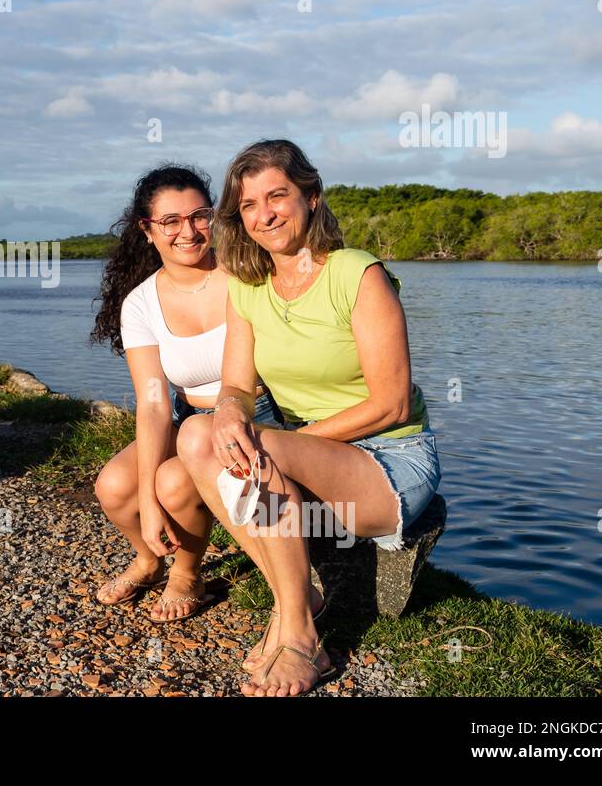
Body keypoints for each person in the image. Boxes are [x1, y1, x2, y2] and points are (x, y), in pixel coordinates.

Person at [176, 139, 441, 696]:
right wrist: (228, 413)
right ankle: (297, 595)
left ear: (311, 197)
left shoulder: (356, 274)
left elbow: (390, 402)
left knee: (257, 448)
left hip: (388, 457)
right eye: (249, 204)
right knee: (198, 434)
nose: (264, 214)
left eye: (278, 196)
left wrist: (271, 441)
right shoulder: (247, 288)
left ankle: (298, 636)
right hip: (305, 450)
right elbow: (237, 386)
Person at [89, 164, 282, 623]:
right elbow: (154, 401)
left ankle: (187, 572)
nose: (188, 231)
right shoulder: (140, 303)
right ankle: (149, 560)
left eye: (199, 216)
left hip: (260, 414)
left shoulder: (246, 272)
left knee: (172, 483)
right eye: (170, 221)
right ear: (147, 230)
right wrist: (147, 507)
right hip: (187, 416)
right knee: (115, 487)